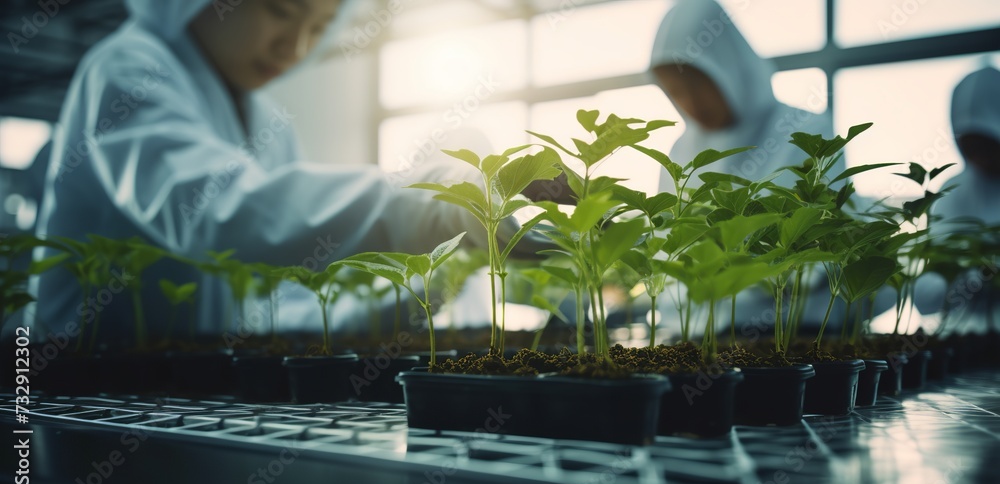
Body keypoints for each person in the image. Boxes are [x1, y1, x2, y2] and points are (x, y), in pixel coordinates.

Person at [30, 0, 541, 348]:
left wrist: (430, 282)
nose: (295, 48)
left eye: (319, 27)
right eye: (280, 10)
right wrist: (427, 204)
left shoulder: (269, 126)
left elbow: (283, 306)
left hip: (201, 400)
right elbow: (214, 212)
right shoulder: (125, 68)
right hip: (89, 393)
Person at [648, 0, 837, 184]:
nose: (691, 102)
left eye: (697, 84)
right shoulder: (679, 153)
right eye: (675, 91)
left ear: (729, 66)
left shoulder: (807, 133)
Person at [910, 65, 1000, 333]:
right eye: (969, 146)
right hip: (961, 342)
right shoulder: (952, 191)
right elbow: (925, 298)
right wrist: (965, 277)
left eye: (987, 144)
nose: (979, 157)